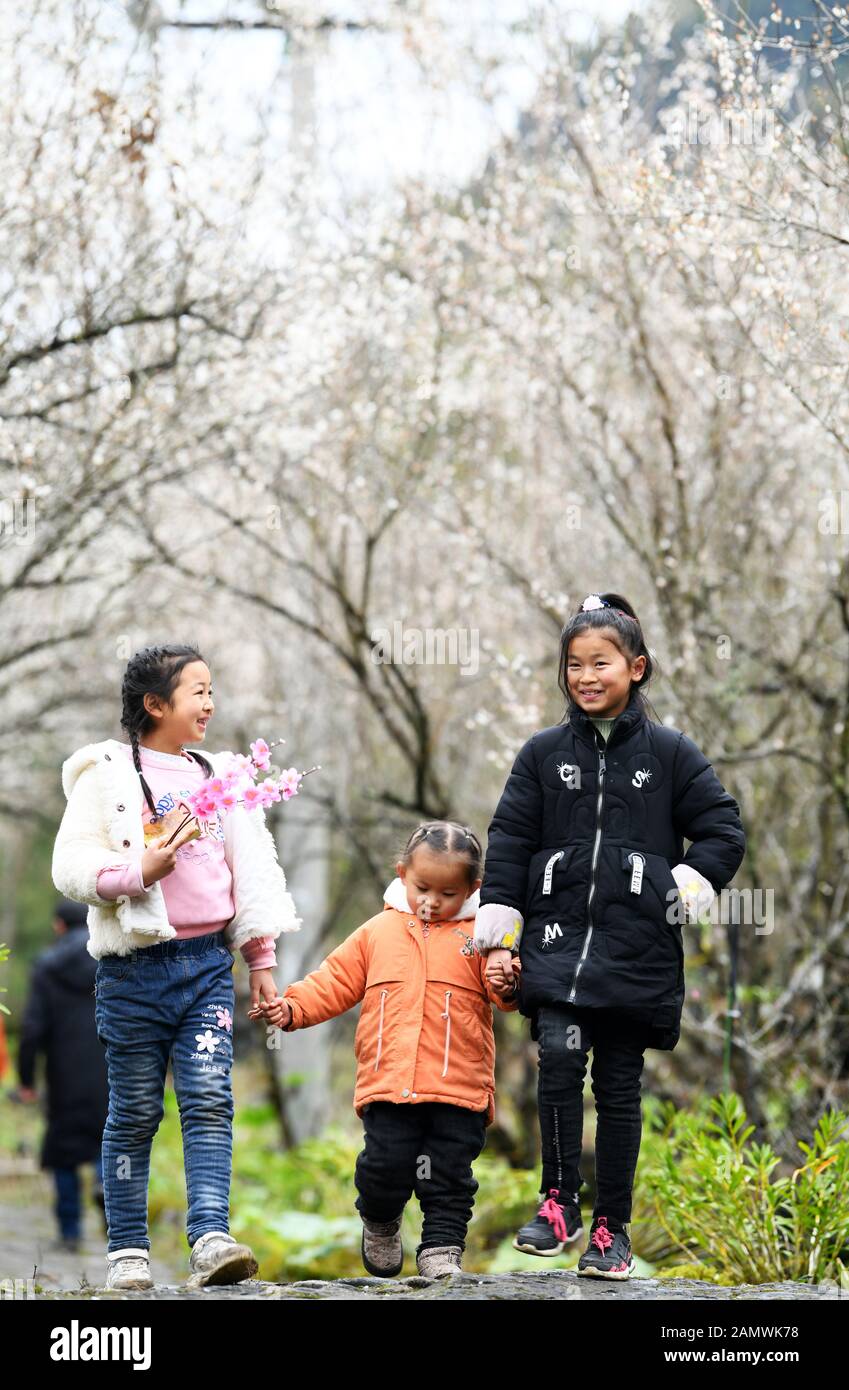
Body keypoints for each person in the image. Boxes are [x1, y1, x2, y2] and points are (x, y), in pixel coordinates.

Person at [474, 592, 746, 1279]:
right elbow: (508, 842)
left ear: (636, 667)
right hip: (557, 944)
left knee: (619, 1085)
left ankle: (610, 1231)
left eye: (601, 663)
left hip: (635, 953)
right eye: (574, 664)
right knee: (559, 1057)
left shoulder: (671, 753)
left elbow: (722, 830)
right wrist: (500, 936)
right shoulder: (541, 754)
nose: (586, 676)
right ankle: (558, 1202)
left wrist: (673, 892)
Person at [51, 643, 301, 1290]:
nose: (210, 703)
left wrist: (260, 958)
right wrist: (136, 872)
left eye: (212, 689)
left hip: (207, 971)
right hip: (133, 974)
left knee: (210, 1098)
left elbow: (252, 870)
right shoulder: (106, 775)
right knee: (135, 1109)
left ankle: (211, 1237)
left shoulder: (219, 776)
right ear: (155, 704)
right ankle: (128, 1251)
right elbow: (70, 866)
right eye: (198, 691)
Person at [257, 821, 520, 1279]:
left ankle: (441, 1250)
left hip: (458, 1085)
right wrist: (293, 1007)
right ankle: (380, 1221)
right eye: (423, 888)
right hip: (389, 1080)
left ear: (473, 889)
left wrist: (509, 979)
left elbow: (505, 996)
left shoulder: (482, 936)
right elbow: (335, 980)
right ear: (402, 874)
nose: (432, 901)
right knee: (384, 1165)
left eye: (448, 893)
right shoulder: (378, 931)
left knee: (450, 1175)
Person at [16, 897, 109, 1251]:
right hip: (110, 1064)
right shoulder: (110, 959)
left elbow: (32, 1029)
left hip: (63, 1071)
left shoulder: (47, 966)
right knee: (111, 1137)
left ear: (58, 925)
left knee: (63, 1149)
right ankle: (107, 1189)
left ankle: (70, 1232)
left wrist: (27, 1080)